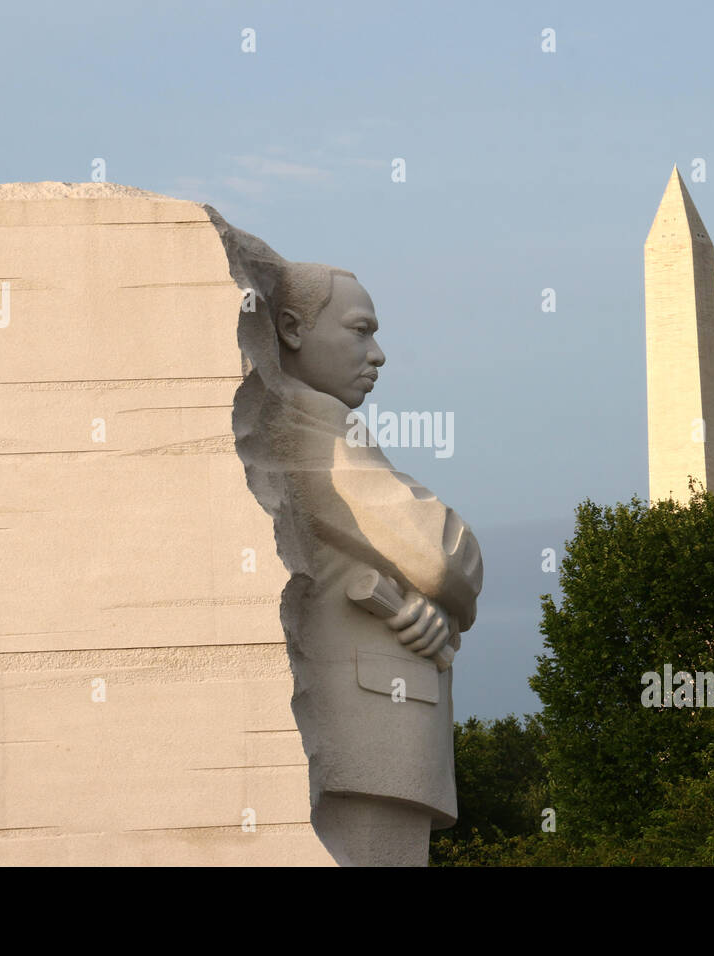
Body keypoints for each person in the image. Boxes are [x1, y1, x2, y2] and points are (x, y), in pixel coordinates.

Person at [238, 259, 483, 865]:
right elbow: (441, 554)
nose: (377, 355)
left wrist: (437, 614)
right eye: (359, 330)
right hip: (368, 735)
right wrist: (449, 588)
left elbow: (405, 573)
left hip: (373, 734)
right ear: (292, 329)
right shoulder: (312, 423)